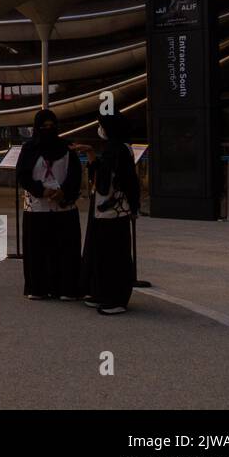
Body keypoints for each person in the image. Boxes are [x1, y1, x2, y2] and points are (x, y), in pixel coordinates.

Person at [15, 109, 83, 300]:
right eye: (44, 126)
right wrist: (41, 190)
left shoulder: (67, 148)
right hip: (37, 208)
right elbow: (22, 175)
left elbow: (75, 174)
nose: (48, 129)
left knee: (65, 249)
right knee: (38, 250)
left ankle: (66, 288)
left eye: (52, 126)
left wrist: (64, 191)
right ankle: (38, 287)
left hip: (63, 207)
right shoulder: (29, 149)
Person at [78, 114, 140, 315]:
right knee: (102, 254)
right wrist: (91, 156)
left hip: (114, 212)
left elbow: (125, 181)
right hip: (105, 212)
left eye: (101, 126)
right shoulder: (114, 149)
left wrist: (134, 207)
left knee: (114, 255)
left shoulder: (119, 150)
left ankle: (116, 299)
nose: (100, 130)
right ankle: (103, 293)